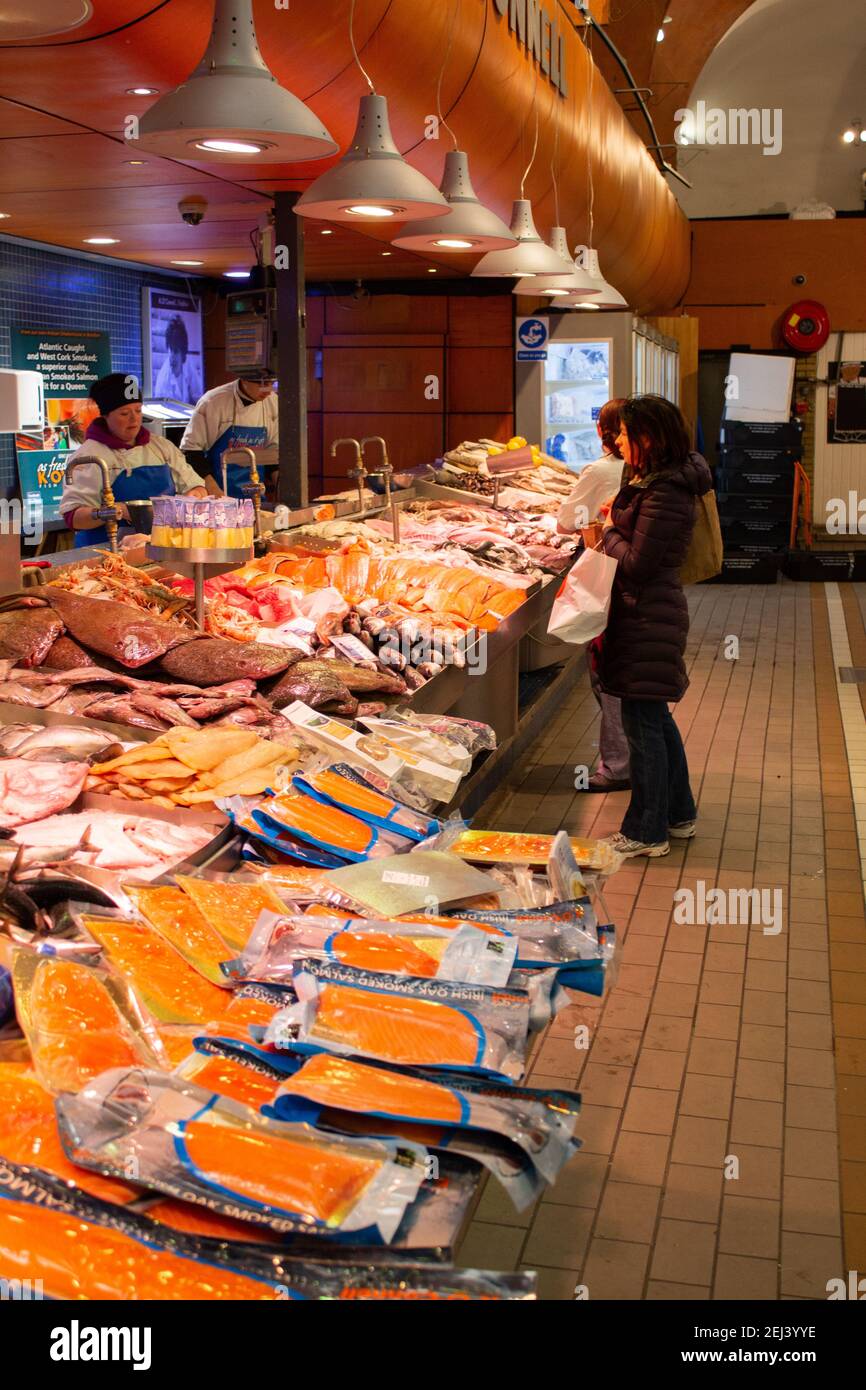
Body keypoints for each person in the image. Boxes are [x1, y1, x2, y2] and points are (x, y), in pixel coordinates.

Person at [594, 394, 712, 858]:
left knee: (642, 725)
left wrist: (609, 530)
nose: (617, 440)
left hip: (647, 615)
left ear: (647, 437)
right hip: (647, 612)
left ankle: (646, 832)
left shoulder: (665, 491)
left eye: (624, 432)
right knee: (654, 720)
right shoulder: (657, 481)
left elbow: (640, 565)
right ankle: (679, 815)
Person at [558, 399, 630, 792]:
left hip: (607, 580)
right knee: (622, 673)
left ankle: (618, 765)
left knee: (607, 673)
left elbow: (565, 520)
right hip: (631, 584)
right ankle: (628, 758)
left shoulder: (602, 470)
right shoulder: (647, 473)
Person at [60, 372, 207, 547]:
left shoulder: (161, 447)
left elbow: (196, 486)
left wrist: (194, 496)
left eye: (138, 410)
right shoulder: (90, 456)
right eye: (124, 413)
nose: (134, 419)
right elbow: (73, 517)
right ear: (105, 415)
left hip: (160, 546)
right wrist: (116, 511)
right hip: (106, 552)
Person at [180, 372, 278, 498]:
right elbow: (191, 453)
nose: (268, 390)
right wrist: (216, 494)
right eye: (261, 384)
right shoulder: (213, 401)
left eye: (271, 384)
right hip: (218, 498)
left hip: (256, 497)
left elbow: (273, 456)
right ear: (244, 379)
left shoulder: (273, 403)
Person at [153, 314, 202, 404]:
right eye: (170, 350)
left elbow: (199, 398)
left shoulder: (188, 364)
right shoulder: (164, 379)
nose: (172, 356)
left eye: (175, 351)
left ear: (183, 352)